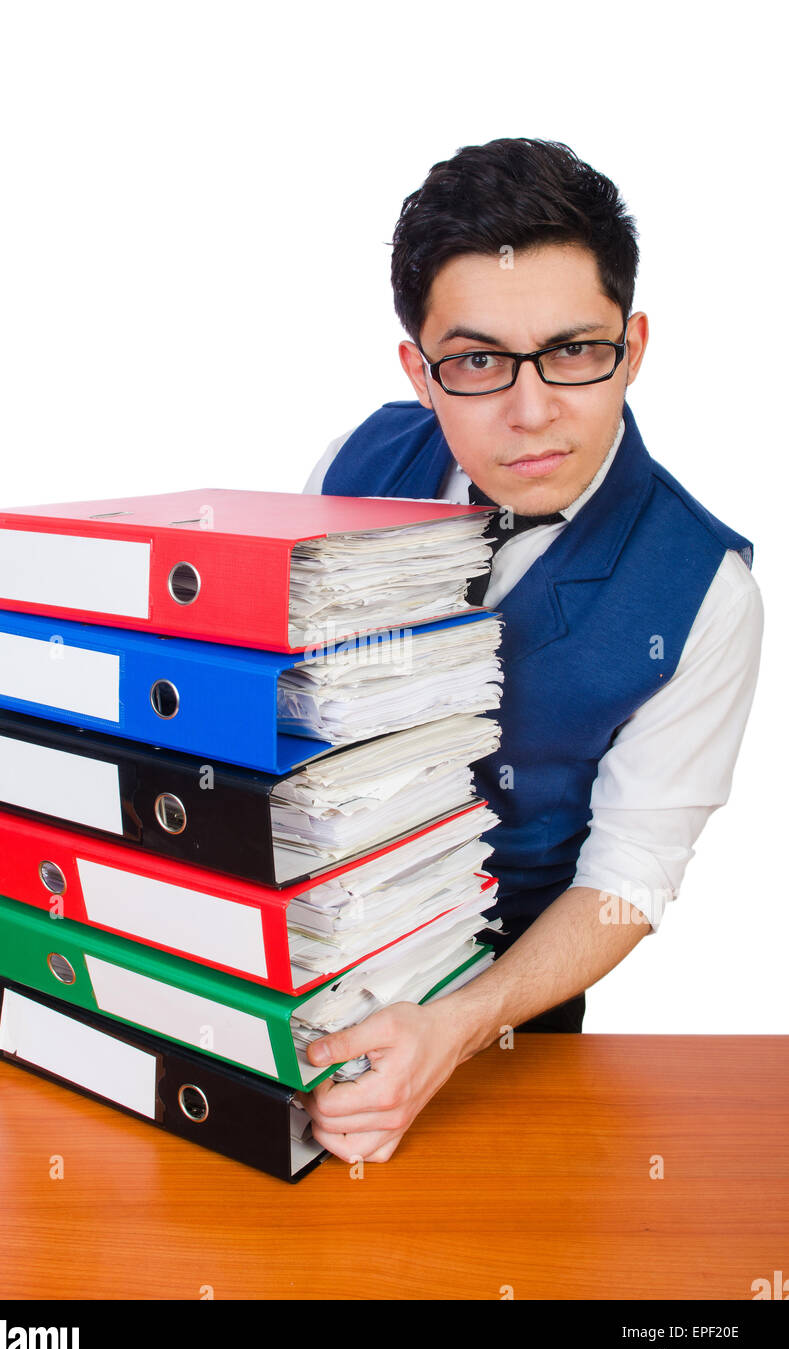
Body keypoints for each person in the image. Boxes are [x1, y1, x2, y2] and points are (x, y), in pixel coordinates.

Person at [299, 137, 764, 1164]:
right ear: (420, 372)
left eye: (574, 350)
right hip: (301, 962)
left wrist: (457, 1026)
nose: (532, 409)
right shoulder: (350, 461)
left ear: (632, 347)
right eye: (476, 361)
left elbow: (632, 874)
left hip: (508, 1022)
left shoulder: (707, 594)